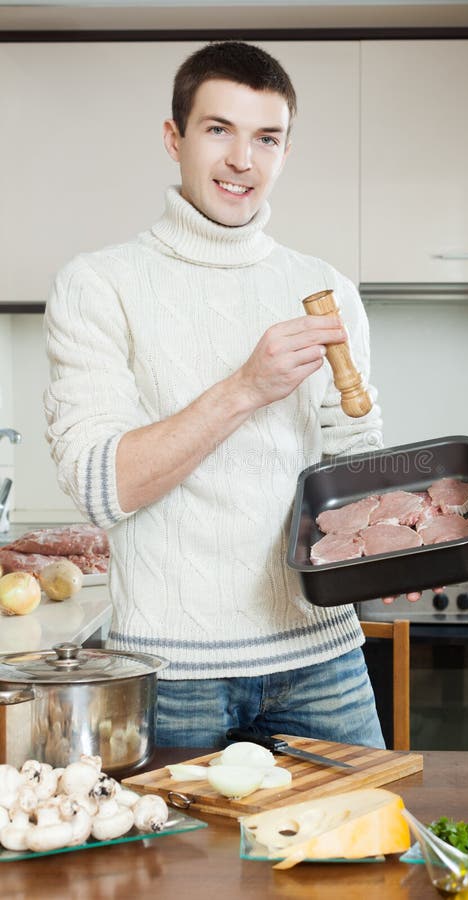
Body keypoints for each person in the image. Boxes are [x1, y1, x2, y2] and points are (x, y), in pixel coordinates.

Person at [44, 41, 406, 751]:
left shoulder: (326, 288)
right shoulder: (97, 285)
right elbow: (99, 486)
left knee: (367, 824)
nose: (243, 159)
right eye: (219, 130)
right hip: (172, 671)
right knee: (178, 836)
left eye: (266, 138)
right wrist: (245, 388)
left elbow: (353, 453)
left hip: (323, 657)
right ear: (174, 138)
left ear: (285, 152)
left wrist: (386, 544)